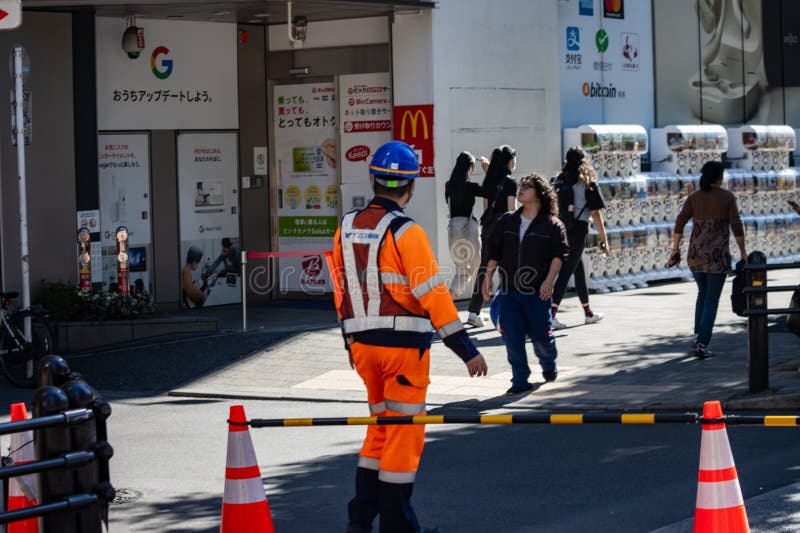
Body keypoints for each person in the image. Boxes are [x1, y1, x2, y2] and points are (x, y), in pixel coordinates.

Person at [330, 141, 488, 533]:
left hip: (364, 350)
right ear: (410, 186)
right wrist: (466, 349)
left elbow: (341, 292)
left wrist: (350, 343)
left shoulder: (346, 228)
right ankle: (400, 527)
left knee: (379, 429)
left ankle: (360, 519)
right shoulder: (406, 231)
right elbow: (433, 295)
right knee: (403, 438)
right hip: (402, 354)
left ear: (373, 179)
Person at [482, 173, 568, 394]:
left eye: (527, 186)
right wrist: (487, 277)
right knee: (512, 337)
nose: (521, 189)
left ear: (539, 194)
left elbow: (559, 256)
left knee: (541, 337)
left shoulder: (552, 225)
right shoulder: (507, 220)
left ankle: (549, 364)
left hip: (537, 293)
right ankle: (519, 380)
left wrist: (549, 282)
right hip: (510, 292)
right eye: (522, 185)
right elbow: (494, 251)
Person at [669, 160, 746, 359]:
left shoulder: (694, 198)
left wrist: (675, 249)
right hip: (717, 258)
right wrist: (743, 253)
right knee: (711, 299)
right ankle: (702, 342)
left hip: (695, 256)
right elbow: (737, 227)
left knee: (702, 294)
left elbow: (679, 222)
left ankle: (698, 336)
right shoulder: (727, 198)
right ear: (720, 178)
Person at [550, 147, 608, 329]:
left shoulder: (558, 179)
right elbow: (596, 214)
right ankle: (550, 315)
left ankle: (588, 313)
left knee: (578, 268)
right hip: (578, 230)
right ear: (583, 160)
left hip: (559, 229)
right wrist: (604, 240)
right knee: (565, 272)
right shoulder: (587, 181)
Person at [466, 145, 518, 328]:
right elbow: (512, 211)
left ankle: (473, 312)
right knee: (509, 270)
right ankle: (506, 311)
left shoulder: (489, 182)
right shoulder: (511, 183)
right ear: (509, 161)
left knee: (484, 269)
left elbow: (486, 208)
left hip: (489, 228)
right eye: (514, 159)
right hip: (505, 230)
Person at [444, 151, 483, 298]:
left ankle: (452, 293)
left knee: (461, 268)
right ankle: (476, 305)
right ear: (470, 167)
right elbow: (488, 192)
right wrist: (489, 170)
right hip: (469, 226)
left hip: (453, 228)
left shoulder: (448, 186)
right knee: (477, 265)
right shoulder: (470, 186)